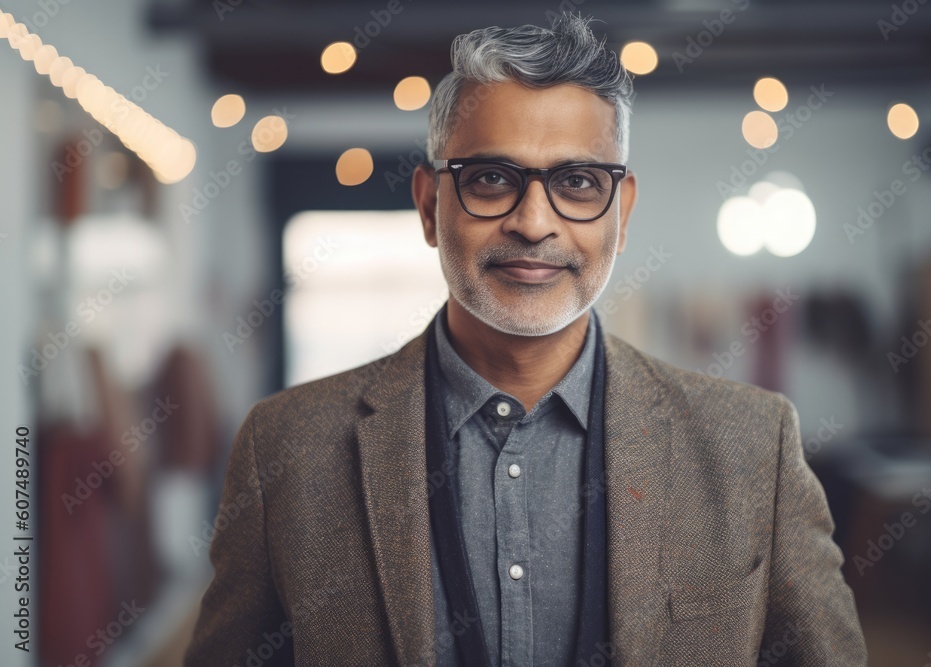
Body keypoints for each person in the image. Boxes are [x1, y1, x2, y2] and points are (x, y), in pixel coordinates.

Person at [184, 12, 867, 666]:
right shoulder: (286, 451)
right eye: (490, 178)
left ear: (620, 214)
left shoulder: (753, 447)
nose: (533, 222)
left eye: (576, 181)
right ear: (429, 205)